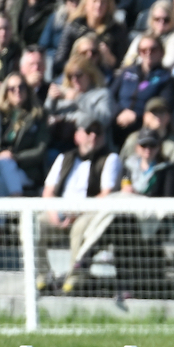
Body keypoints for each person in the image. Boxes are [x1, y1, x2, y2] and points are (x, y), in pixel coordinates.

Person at [38, 118, 120, 292]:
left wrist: (77, 212)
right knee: (35, 223)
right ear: (77, 136)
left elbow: (106, 194)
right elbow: (48, 191)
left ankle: (75, 279)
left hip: (90, 213)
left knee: (80, 227)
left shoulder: (110, 158)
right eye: (89, 131)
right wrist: (54, 213)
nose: (93, 136)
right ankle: (42, 276)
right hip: (59, 211)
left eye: (98, 133)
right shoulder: (64, 157)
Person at [0, 72, 48, 195]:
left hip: (26, 171)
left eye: (21, 87)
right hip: (3, 171)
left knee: (6, 164)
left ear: (27, 89)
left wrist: (15, 157)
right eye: (12, 89)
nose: (17, 91)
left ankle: (17, 201)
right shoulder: (2, 116)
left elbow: (40, 150)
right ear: (6, 92)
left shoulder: (38, 115)